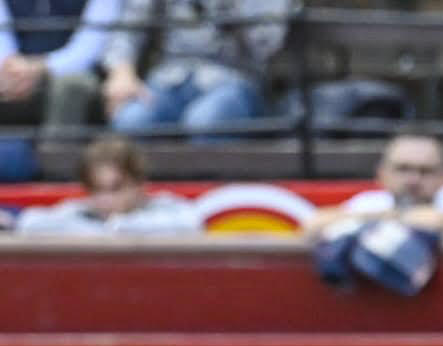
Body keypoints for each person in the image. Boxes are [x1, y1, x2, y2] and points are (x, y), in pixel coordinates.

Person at [101, 0, 283, 138]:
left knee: (205, 121)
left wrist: (233, 9)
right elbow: (126, 31)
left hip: (237, 80)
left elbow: (269, 47)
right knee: (131, 121)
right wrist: (121, 73)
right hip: (169, 79)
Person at [305, 131, 443, 240]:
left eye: (426, 171)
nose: (413, 180)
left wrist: (370, 220)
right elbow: (313, 225)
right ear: (381, 174)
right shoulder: (371, 202)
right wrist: (387, 216)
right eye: (403, 169)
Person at [14, 134, 199, 234]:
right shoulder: (80, 212)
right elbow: (30, 223)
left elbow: (191, 224)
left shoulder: (167, 208)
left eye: (115, 188)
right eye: (96, 190)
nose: (105, 199)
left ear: (139, 184)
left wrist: (118, 226)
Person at [0, 0, 119, 136]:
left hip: (77, 72)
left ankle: (55, 149)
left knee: (71, 85)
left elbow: (89, 47)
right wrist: (12, 67)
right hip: (14, 71)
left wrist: (37, 68)